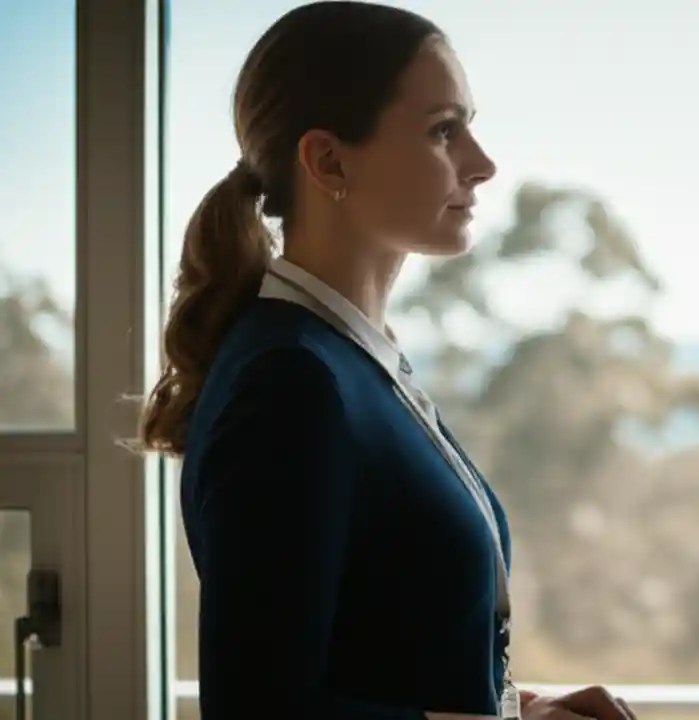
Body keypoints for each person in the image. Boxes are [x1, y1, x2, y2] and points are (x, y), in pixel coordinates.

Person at [134, 3, 637, 719]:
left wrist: (524, 709)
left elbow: (383, 658)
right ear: (328, 161)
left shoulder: (348, 360)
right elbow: (262, 711)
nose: (483, 163)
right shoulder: (290, 384)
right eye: (443, 130)